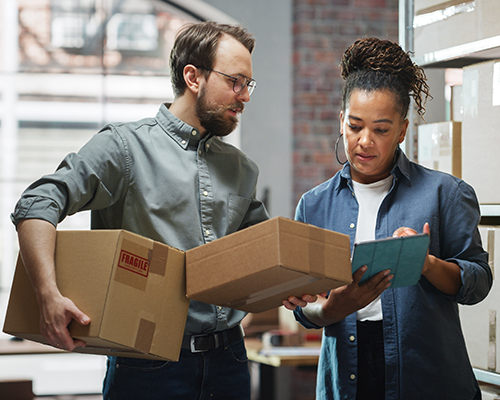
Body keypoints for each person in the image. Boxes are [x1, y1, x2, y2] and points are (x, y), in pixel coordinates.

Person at [11, 21, 268, 400]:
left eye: (248, 85)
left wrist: (290, 285)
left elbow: (262, 251)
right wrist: (48, 295)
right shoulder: (124, 148)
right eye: (235, 81)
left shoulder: (241, 168)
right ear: (193, 77)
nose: (244, 96)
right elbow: (38, 203)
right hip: (148, 364)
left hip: (229, 360)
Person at [283, 37, 491, 400]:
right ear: (341, 121)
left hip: (427, 378)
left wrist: (426, 264)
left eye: (380, 129)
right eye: (355, 126)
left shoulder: (445, 193)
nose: (364, 141)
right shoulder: (313, 206)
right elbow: (304, 311)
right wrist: (334, 307)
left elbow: (478, 282)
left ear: (402, 131)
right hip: (347, 375)